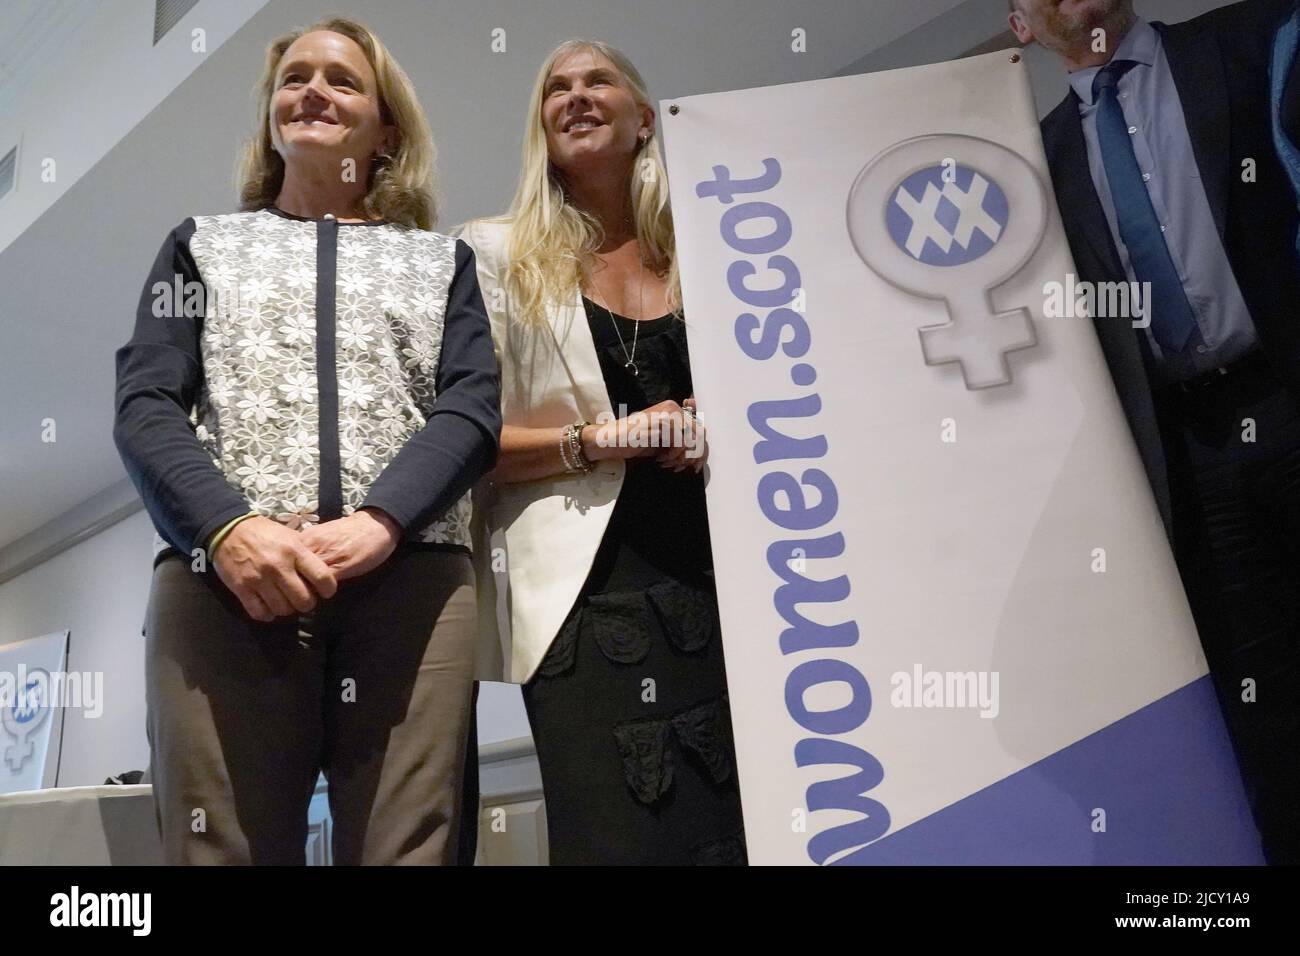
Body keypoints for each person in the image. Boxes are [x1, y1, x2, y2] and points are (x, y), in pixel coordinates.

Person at [112, 17, 501, 864]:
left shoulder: (442, 263)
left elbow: (470, 409)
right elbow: (147, 404)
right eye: (295, 77)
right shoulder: (198, 246)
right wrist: (226, 529)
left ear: (386, 130)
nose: (312, 90)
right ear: (271, 116)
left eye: (342, 80)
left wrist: (382, 521)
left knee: (411, 849)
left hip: (411, 586)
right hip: (224, 588)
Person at [1012, 0, 1300, 863]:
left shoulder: (1255, 40)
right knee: (1266, 709)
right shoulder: (1040, 162)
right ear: (1020, 25)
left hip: (1285, 392)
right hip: (1188, 456)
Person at [460, 39, 747, 865]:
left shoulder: (711, 249)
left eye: (598, 81)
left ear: (645, 119)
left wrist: (715, 419)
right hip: (583, 609)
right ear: (542, 125)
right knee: (617, 838)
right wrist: (597, 440)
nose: (576, 96)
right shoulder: (492, 254)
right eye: (557, 88)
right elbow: (466, 440)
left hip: (726, 592)